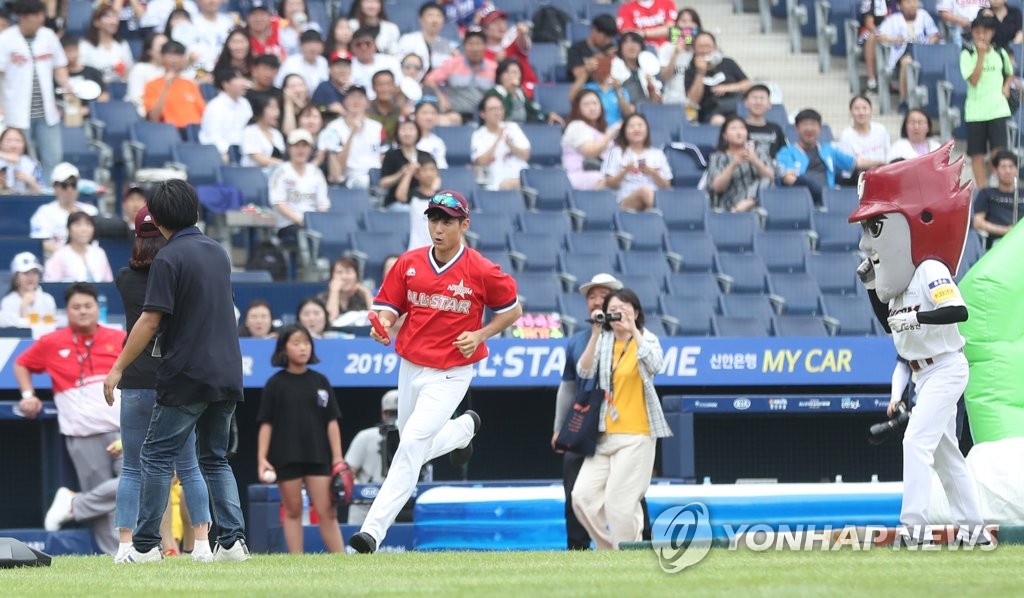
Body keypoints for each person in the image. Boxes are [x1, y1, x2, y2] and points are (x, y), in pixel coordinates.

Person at [347, 189, 522, 554]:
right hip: (411, 365)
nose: (438, 228)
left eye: (447, 221)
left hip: (452, 371)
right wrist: (382, 324)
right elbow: (389, 307)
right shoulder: (409, 262)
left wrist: (481, 334)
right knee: (411, 446)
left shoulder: (481, 269)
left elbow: (512, 311)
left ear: (464, 224)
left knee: (410, 444)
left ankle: (371, 534)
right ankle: (461, 431)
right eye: (433, 219)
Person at [849, 143, 990, 547]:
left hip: (947, 365)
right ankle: (975, 530)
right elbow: (891, 326)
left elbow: (956, 312)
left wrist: (920, 317)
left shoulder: (928, 268)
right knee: (948, 458)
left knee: (916, 442)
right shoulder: (895, 278)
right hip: (921, 373)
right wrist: (872, 289)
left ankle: (913, 528)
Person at [102, 179, 250, 563]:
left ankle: (148, 546)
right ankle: (232, 542)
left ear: (160, 217)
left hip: (187, 374)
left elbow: (150, 321)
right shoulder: (217, 252)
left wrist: (117, 367)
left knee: (152, 457)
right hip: (227, 373)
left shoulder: (169, 257)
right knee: (214, 459)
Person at [113, 206, 213, 563]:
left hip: (137, 381)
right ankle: (201, 544)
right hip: (174, 381)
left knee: (132, 467)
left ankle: (126, 545)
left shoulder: (125, 277)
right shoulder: (179, 271)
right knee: (188, 466)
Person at [16, 282, 126, 555]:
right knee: (105, 506)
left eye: (88, 306)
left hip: (124, 429)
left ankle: (74, 505)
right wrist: (28, 394)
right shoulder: (51, 341)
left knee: (139, 483)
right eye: (76, 307)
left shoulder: (119, 336)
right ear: (67, 311)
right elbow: (21, 363)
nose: (82, 311)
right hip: (82, 434)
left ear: (97, 308)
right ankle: (116, 557)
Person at [571, 287, 670, 550]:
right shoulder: (604, 340)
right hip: (604, 434)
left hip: (637, 434)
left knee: (620, 503)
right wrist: (595, 333)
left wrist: (633, 330)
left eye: (625, 309)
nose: (618, 314)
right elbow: (584, 370)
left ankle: (627, 551)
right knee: (581, 497)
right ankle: (615, 548)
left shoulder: (646, 338)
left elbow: (656, 365)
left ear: (636, 313)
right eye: (613, 310)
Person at [256, 324, 346, 554]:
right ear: (283, 349)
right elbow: (267, 423)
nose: (302, 348)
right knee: (293, 510)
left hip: (318, 455)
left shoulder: (320, 381)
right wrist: (262, 458)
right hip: (286, 456)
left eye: (306, 343)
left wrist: (337, 458)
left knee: (327, 510)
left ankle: (342, 559)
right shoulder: (275, 384)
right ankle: (297, 560)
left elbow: (332, 422)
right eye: (296, 343)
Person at [552, 273, 622, 550]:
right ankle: (577, 548)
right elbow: (568, 387)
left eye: (601, 295)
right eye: (590, 296)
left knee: (625, 489)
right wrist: (559, 428)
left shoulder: (625, 335)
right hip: (583, 424)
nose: (595, 301)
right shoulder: (577, 341)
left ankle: (639, 542)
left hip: (616, 422)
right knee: (573, 487)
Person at [0, 0, 73, 181]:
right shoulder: (6, 39)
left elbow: (60, 66)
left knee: (53, 158)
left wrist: (66, 85)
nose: (42, 19)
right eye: (37, 15)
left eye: (42, 14)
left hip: (47, 111)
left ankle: (49, 194)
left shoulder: (48, 36)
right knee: (22, 160)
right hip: (16, 112)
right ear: (22, 17)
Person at [960, 13, 1012, 188]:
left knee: (999, 153)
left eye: (986, 32)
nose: (982, 36)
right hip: (975, 112)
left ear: (992, 33)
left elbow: (1009, 72)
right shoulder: (966, 54)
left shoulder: (1000, 52)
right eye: (977, 31)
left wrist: (1006, 86)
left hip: (998, 110)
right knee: (977, 155)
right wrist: (981, 56)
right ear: (972, 32)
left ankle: (998, 188)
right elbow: (973, 80)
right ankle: (982, 191)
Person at [776, 108, 860, 206]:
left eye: (813, 124)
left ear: (820, 128)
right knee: (803, 179)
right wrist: (808, 184)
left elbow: (855, 162)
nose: (809, 128)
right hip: (801, 201)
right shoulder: (787, 152)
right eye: (805, 124)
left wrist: (879, 164)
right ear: (797, 128)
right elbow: (787, 178)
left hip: (829, 198)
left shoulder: (828, 149)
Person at [344, 389, 399, 524]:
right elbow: (347, 472)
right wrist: (361, 490)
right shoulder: (366, 436)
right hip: (365, 506)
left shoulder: (414, 438)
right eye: (390, 413)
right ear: (383, 413)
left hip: (399, 503)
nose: (394, 418)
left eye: (398, 413)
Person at [269, 128, 329, 243]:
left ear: (311, 149)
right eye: (296, 146)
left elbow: (322, 204)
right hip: (288, 224)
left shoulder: (316, 172)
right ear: (289, 149)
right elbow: (279, 203)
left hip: (313, 222)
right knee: (307, 235)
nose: (301, 150)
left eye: (305, 146)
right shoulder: (281, 172)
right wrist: (302, 220)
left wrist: (317, 221)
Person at [602, 113, 672, 211]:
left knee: (650, 197)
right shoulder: (616, 152)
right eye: (631, 126)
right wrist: (625, 171)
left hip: (655, 199)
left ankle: (653, 214)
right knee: (645, 191)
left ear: (647, 129)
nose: (636, 129)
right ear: (624, 131)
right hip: (625, 201)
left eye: (640, 125)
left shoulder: (657, 153)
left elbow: (667, 186)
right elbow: (609, 183)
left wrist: (653, 173)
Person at [875, 0, 940, 105]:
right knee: (907, 62)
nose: (912, 5)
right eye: (908, 2)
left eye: (915, 2)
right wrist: (893, 39)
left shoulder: (924, 15)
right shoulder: (894, 19)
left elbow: (935, 34)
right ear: (900, 5)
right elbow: (878, 35)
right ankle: (904, 101)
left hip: (923, 51)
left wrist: (930, 42)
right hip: (902, 53)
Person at [423, 30, 496, 124]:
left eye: (478, 43)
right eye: (471, 43)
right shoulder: (452, 63)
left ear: (485, 46)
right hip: (455, 114)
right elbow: (429, 81)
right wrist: (441, 98)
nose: (475, 48)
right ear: (464, 46)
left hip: (485, 117)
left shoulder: (493, 68)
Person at [706, 115, 774, 213]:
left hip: (757, 203)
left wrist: (755, 160)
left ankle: (745, 204)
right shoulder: (718, 157)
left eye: (742, 128)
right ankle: (741, 207)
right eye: (733, 129)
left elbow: (771, 177)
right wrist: (733, 164)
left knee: (767, 179)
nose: (739, 133)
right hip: (729, 201)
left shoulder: (759, 152)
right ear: (725, 136)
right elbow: (717, 188)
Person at [320, 84, 383, 187]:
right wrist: (352, 134)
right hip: (348, 180)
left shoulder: (377, 127)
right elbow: (337, 169)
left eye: (360, 97)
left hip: (375, 178)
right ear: (344, 102)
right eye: (352, 96)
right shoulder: (333, 128)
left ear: (367, 103)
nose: (356, 100)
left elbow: (383, 157)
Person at [30, 162, 99, 256]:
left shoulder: (90, 210)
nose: (70, 189)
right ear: (55, 187)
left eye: (74, 184)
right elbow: (44, 243)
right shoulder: (44, 212)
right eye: (64, 185)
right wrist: (71, 256)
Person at [684, 32, 750, 125]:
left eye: (708, 46)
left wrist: (727, 88)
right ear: (695, 49)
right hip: (710, 112)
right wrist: (700, 72)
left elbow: (746, 84)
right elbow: (694, 100)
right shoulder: (690, 71)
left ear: (715, 47)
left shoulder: (728, 62)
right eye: (700, 46)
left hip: (735, 106)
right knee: (719, 121)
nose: (704, 50)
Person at [562, 88, 620, 191]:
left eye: (595, 103)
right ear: (577, 108)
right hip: (581, 174)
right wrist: (611, 133)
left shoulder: (603, 129)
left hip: (603, 172)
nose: (592, 108)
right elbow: (591, 152)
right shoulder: (576, 126)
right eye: (586, 104)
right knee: (608, 181)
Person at [471, 94, 530, 190]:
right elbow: (481, 161)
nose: (497, 112)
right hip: (496, 182)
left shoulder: (513, 127)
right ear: (483, 114)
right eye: (493, 109)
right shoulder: (478, 135)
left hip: (521, 177)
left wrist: (510, 144)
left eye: (500, 108)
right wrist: (498, 139)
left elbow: (526, 155)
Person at [143, 40, 206, 129]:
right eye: (170, 55)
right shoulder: (151, 85)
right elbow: (154, 118)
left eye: (178, 55)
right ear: (162, 57)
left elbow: (203, 113)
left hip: (195, 130)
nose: (174, 60)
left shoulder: (190, 84)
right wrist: (166, 86)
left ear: (184, 59)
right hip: (169, 131)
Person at [485, 59, 563, 125]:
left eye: (516, 72)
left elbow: (533, 112)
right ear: (500, 76)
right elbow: (505, 116)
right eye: (508, 72)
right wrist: (510, 93)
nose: (513, 76)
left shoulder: (520, 93)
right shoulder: (493, 93)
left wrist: (547, 116)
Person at [199, 67, 253, 162]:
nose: (244, 83)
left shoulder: (245, 103)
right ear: (226, 84)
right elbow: (213, 136)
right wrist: (224, 151)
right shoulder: (215, 106)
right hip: (224, 152)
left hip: (246, 150)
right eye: (238, 79)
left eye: (243, 79)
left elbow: (250, 129)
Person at [43, 212, 115, 283]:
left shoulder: (99, 252)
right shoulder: (60, 255)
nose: (84, 229)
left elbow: (108, 281)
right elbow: (52, 284)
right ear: (69, 229)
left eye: (88, 224)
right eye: (78, 225)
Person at [973, 149, 1023, 249]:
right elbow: (977, 222)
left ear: (1017, 170)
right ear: (995, 170)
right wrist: (1005, 231)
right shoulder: (986, 193)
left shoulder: (1022, 193)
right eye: (1003, 167)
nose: (1008, 171)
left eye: (1011, 166)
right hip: (998, 243)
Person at [837, 95, 890, 185]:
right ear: (851, 112)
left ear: (871, 110)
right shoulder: (846, 134)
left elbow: (887, 154)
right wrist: (877, 163)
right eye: (857, 109)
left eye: (864, 108)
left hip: (881, 175)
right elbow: (851, 165)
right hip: (857, 179)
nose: (861, 112)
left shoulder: (881, 129)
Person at [380, 119, 431, 209]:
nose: (407, 133)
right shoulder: (391, 155)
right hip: (396, 202)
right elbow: (383, 183)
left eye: (411, 129)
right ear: (397, 133)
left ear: (418, 132)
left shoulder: (426, 155)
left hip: (423, 199)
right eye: (403, 129)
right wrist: (402, 173)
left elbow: (436, 179)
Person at [395, 2, 457, 72]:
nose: (435, 20)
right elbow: (398, 64)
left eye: (438, 16)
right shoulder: (408, 39)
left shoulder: (445, 44)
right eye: (430, 15)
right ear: (420, 19)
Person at [0, 252, 56, 328]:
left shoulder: (48, 299)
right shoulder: (8, 302)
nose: (31, 277)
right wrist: (23, 306)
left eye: (35, 272)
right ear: (16, 277)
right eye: (26, 273)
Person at [658, 8, 702, 104]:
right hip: (671, 100)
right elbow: (665, 76)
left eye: (692, 21)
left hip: (696, 102)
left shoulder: (702, 48)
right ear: (676, 25)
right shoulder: (667, 48)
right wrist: (675, 53)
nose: (688, 25)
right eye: (684, 21)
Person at [79, 5, 133, 83]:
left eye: (115, 17)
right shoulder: (85, 45)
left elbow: (129, 71)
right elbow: (81, 71)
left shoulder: (122, 44)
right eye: (108, 17)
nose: (114, 22)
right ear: (96, 22)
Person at [400, 154, 442, 250]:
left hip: (437, 249)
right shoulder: (413, 195)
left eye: (432, 170)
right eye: (424, 170)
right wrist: (410, 172)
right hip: (416, 248)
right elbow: (401, 196)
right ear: (417, 174)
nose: (428, 174)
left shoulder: (442, 197)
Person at [320, 255, 373, 324]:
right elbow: (330, 319)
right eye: (339, 272)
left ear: (356, 276)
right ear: (332, 277)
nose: (344, 277)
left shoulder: (362, 297)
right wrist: (334, 291)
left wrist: (367, 293)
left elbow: (377, 320)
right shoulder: (323, 298)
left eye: (348, 272)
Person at [348, 28, 400, 97]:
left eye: (368, 44)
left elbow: (398, 85)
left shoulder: (390, 61)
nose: (364, 48)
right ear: (352, 48)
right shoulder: (348, 65)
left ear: (375, 45)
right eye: (358, 44)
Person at [567, 14, 618, 84]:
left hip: (607, 88)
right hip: (584, 89)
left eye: (610, 37)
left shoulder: (611, 48)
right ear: (594, 29)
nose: (608, 41)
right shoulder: (576, 49)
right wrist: (599, 59)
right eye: (605, 36)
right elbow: (577, 74)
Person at [614, 31, 662, 105]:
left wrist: (650, 85)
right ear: (620, 48)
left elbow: (656, 102)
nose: (631, 46)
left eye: (635, 41)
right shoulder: (615, 68)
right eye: (626, 42)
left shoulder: (649, 69)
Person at [241, 94, 286, 172]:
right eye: (272, 108)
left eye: (277, 108)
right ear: (261, 110)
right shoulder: (250, 131)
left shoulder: (276, 133)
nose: (277, 113)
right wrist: (284, 165)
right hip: (255, 175)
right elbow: (259, 159)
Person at [127, 33, 168, 116]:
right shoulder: (139, 69)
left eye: (167, 46)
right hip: (144, 115)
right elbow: (137, 99)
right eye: (161, 46)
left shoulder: (171, 70)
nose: (166, 50)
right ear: (149, 50)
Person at [742, 84, 786, 158]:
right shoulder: (739, 127)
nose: (758, 102)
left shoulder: (776, 129)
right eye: (754, 98)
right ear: (746, 103)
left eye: (762, 98)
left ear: (769, 104)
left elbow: (784, 153)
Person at [0, 126, 43, 193]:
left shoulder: (33, 164)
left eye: (18, 141)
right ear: (1, 143)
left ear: (24, 145)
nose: (13, 145)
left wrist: (30, 180)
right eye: (8, 140)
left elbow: (42, 193)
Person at [367, 69, 403, 143]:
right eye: (380, 84)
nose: (385, 89)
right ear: (373, 87)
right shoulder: (365, 110)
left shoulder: (399, 110)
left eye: (388, 84)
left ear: (394, 86)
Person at [413, 98, 448, 168]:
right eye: (424, 113)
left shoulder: (438, 142)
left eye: (433, 113)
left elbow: (442, 167)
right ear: (415, 115)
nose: (429, 117)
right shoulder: (406, 138)